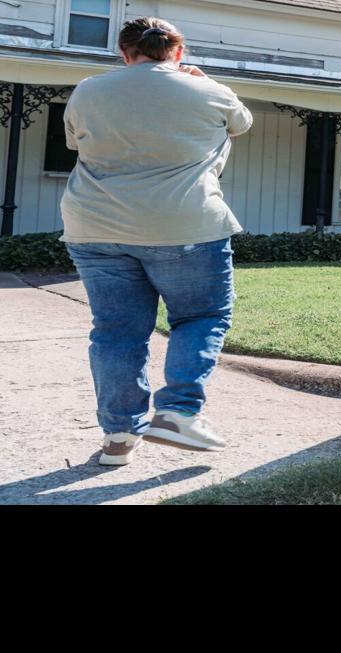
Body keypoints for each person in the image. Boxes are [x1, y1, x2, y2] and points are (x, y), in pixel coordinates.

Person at [60, 17, 252, 465]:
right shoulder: (210, 92)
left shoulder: (88, 90)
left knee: (116, 332)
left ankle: (119, 436)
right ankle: (178, 412)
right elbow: (240, 124)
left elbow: (75, 142)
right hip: (184, 224)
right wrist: (203, 82)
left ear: (125, 54)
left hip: (95, 226)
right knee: (201, 315)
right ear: (178, 53)